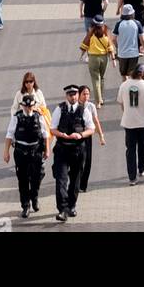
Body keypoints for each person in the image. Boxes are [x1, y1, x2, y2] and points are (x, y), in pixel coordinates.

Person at [51, 85, 93, 222]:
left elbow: (91, 129)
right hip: (62, 148)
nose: (73, 97)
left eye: (75, 94)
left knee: (75, 180)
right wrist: (61, 134)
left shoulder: (83, 110)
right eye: (70, 94)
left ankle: (72, 205)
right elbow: (53, 129)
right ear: (66, 96)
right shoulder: (59, 109)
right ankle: (62, 209)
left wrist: (80, 135)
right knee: (61, 179)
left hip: (78, 149)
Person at [4, 92, 48, 218]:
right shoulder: (17, 117)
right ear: (22, 106)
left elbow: (45, 134)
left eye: (30, 106)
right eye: (26, 106)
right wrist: (6, 152)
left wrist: (47, 150)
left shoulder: (39, 116)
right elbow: (9, 134)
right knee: (22, 179)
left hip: (36, 151)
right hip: (21, 152)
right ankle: (25, 205)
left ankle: (34, 198)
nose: (28, 109)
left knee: (36, 177)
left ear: (34, 106)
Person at [117, 63, 144, 186]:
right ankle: (142, 167)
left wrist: (127, 113)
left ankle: (132, 177)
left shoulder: (124, 85)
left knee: (130, 149)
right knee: (143, 145)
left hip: (128, 122)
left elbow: (121, 103)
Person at [80, 16, 115, 106]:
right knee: (102, 78)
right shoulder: (106, 33)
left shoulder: (91, 34)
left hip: (93, 58)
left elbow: (84, 46)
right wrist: (113, 58)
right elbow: (110, 46)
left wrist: (81, 55)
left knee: (95, 79)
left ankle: (98, 101)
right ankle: (101, 98)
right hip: (104, 58)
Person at [77, 85, 105, 193]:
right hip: (77, 136)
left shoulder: (91, 106)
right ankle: (76, 182)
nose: (86, 96)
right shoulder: (74, 105)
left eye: (87, 94)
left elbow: (96, 121)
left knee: (87, 161)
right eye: (84, 94)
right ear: (79, 94)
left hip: (87, 136)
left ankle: (83, 186)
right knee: (78, 161)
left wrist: (101, 136)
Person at [114, 3, 144, 78]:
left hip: (122, 54)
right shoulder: (137, 23)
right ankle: (131, 88)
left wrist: (118, 47)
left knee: (123, 74)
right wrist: (142, 47)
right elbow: (143, 39)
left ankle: (125, 87)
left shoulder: (119, 24)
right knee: (132, 74)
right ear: (132, 13)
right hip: (133, 53)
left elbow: (113, 39)